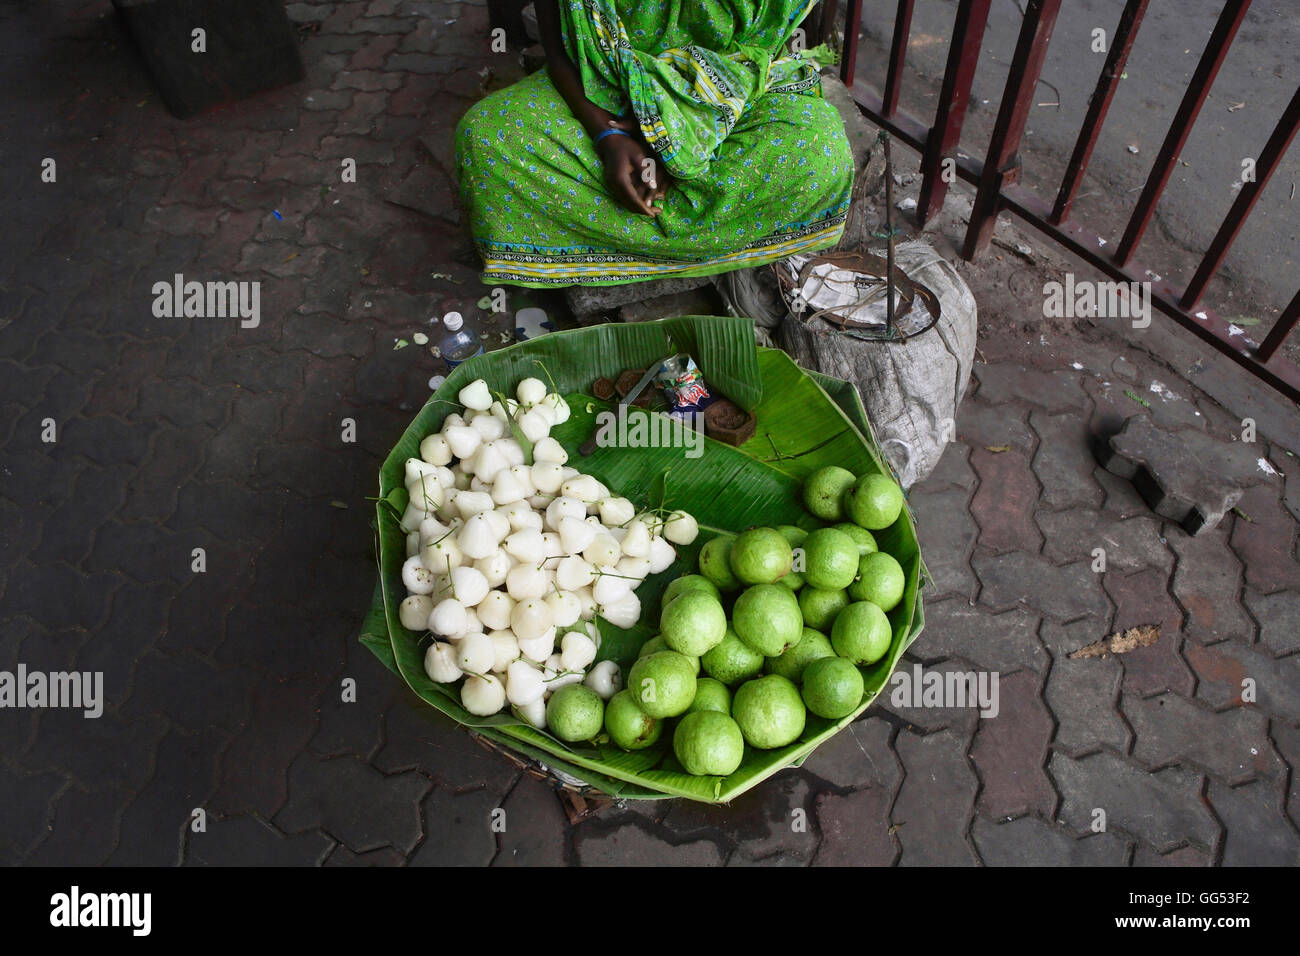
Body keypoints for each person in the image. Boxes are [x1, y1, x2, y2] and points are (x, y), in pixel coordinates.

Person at [455, 0, 854, 287]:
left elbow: (762, 54)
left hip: (731, 93)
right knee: (488, 138)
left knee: (822, 155)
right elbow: (560, 53)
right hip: (606, 87)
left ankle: (628, 238)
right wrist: (608, 134)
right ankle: (708, 239)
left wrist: (678, 133)